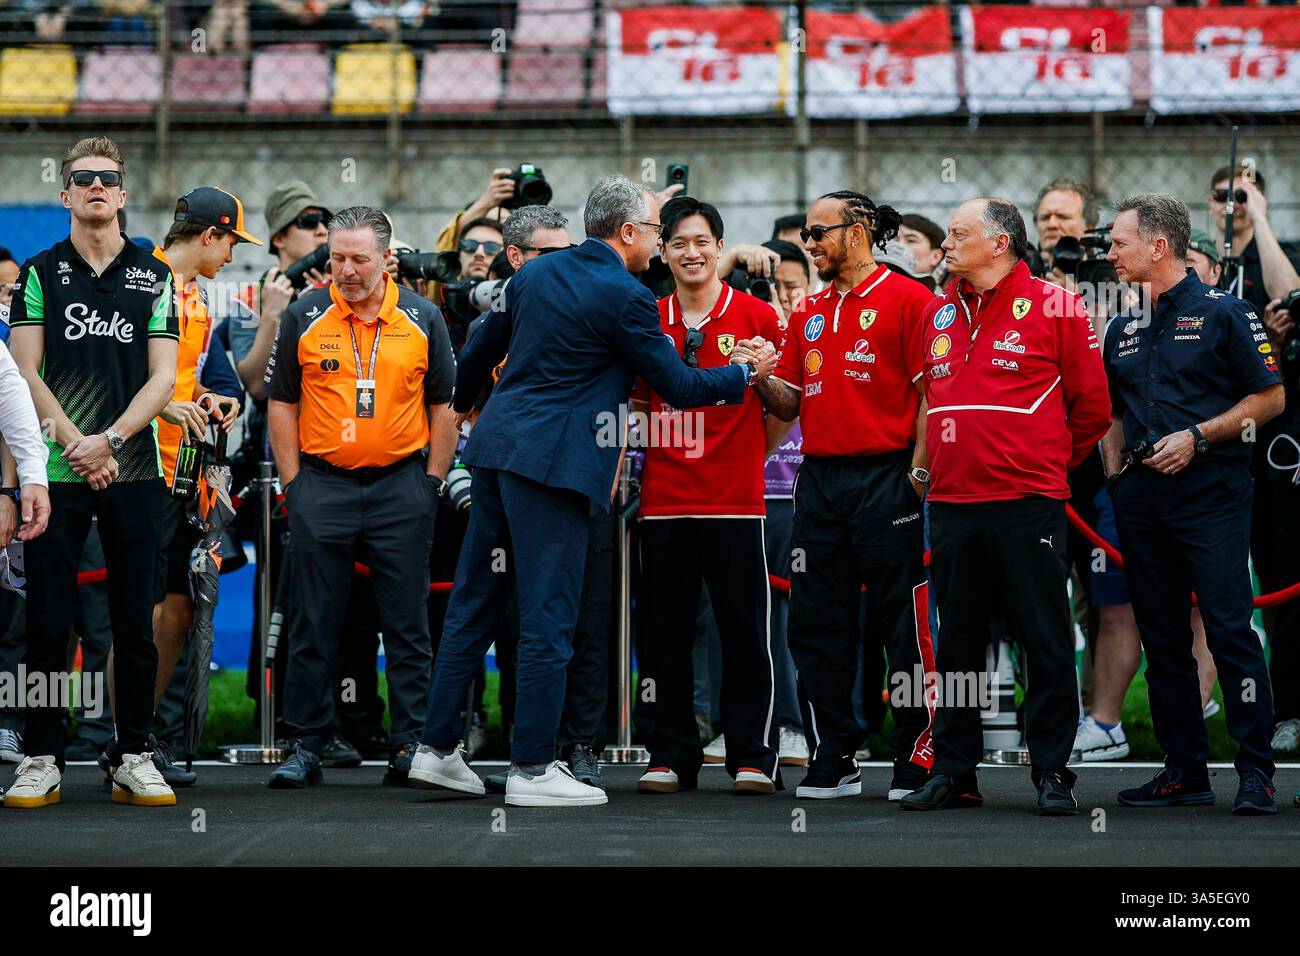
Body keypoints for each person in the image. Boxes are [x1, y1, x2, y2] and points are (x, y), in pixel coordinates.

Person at [408, 174, 768, 808]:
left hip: (494, 453)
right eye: (657, 230)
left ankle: (436, 752)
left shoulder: (532, 275)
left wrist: (469, 410)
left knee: (474, 606)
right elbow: (681, 388)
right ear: (628, 232)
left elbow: (476, 356)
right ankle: (532, 767)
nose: (661, 243)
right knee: (549, 617)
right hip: (554, 467)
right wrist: (743, 372)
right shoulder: (626, 295)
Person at [901, 197, 1110, 816]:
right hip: (954, 502)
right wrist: (927, 468)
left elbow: (1092, 410)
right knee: (958, 645)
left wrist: (1037, 464)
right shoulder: (939, 313)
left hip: (1028, 502)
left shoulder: (1056, 305)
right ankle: (956, 772)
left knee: (1042, 638)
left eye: (957, 234)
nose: (945, 245)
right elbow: (931, 400)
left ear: (1000, 243)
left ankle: (1052, 769)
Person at [6, 136, 180, 809]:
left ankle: (132, 752)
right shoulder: (39, 272)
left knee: (136, 619)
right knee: (50, 621)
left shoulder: (153, 274)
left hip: (133, 466)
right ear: (65, 195)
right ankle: (41, 755)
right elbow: (23, 373)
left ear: (125, 193)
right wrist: (76, 443)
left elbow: (165, 378)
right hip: (54, 470)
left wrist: (110, 439)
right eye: (84, 180)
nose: (97, 188)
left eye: (109, 179)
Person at [1103, 193, 1285, 815]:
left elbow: (1270, 398)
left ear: (1157, 246)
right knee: (1161, 638)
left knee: (1232, 631)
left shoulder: (1227, 313)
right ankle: (1184, 769)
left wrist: (1199, 436)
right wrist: (1115, 474)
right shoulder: (1122, 327)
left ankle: (1257, 772)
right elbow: (1111, 415)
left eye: (1119, 242)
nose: (1109, 253)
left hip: (1212, 496)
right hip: (1141, 501)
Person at [264, 205, 458, 789]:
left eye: (358, 259)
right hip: (322, 483)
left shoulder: (424, 316)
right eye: (336, 258)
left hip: (404, 484)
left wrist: (431, 483)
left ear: (385, 258)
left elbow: (444, 405)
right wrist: (295, 484)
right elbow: (281, 404)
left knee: (407, 623)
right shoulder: (304, 313)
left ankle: (412, 745)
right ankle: (306, 742)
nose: (345, 270)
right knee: (313, 621)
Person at [754, 190, 938, 802]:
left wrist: (915, 476)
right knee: (816, 625)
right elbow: (792, 404)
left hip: (888, 478)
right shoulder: (806, 311)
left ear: (856, 232)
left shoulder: (910, 299)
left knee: (901, 624)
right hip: (820, 481)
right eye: (807, 235)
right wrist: (762, 377)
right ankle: (834, 752)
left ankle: (917, 752)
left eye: (818, 233)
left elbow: (931, 401)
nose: (808, 246)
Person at [630, 196, 784, 796]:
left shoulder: (757, 315)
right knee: (664, 634)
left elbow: (782, 411)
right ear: (662, 252)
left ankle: (751, 754)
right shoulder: (647, 317)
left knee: (744, 632)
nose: (691, 253)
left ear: (720, 247)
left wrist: (746, 456)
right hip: (664, 501)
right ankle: (670, 754)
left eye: (702, 241)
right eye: (677, 243)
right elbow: (640, 409)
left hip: (736, 501)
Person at [103, 187, 253, 786]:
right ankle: (124, 745)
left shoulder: (194, 295)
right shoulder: (140, 281)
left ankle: (138, 737)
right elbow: (115, 376)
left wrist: (214, 400)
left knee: (179, 607)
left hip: (184, 472)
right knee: (139, 611)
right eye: (231, 244)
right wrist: (170, 409)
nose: (232, 258)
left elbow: (189, 377)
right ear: (210, 236)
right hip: (136, 466)